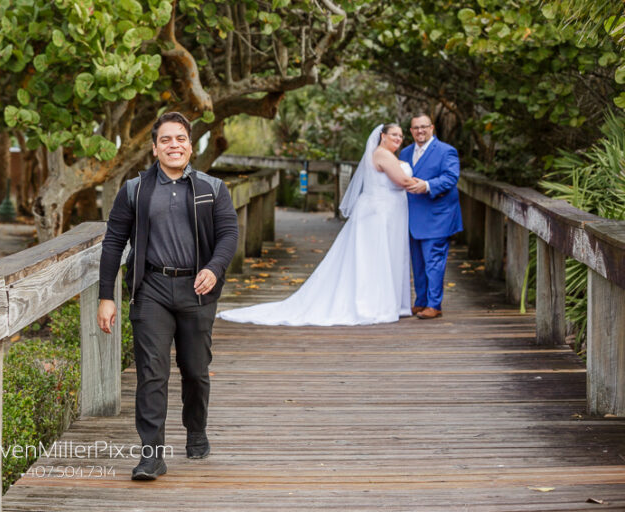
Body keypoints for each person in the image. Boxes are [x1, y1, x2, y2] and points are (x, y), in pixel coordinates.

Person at [97, 112, 239, 480]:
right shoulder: (135, 190)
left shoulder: (212, 188)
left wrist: (214, 267)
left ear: (191, 145)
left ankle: (196, 431)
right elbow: (113, 242)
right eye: (166, 140)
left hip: (197, 289)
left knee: (195, 370)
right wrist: (106, 295)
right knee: (151, 373)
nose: (174, 145)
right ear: (154, 147)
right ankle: (151, 456)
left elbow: (228, 235)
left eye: (180, 139)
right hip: (152, 290)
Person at [218, 123, 419, 326]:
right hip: (379, 214)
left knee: (381, 256)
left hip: (386, 212)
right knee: (375, 257)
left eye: (401, 135)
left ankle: (385, 301)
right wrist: (426, 185)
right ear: (382, 136)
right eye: (394, 134)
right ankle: (373, 303)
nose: (398, 138)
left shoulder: (387, 155)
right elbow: (402, 180)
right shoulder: (382, 154)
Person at [399, 113, 463, 319]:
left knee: (433, 261)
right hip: (412, 216)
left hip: (437, 215)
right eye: (416, 128)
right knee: (417, 262)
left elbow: (451, 178)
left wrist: (427, 185)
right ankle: (421, 301)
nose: (420, 131)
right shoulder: (405, 153)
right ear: (411, 131)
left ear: (432, 128)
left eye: (424, 127)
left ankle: (434, 305)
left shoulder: (446, 151)